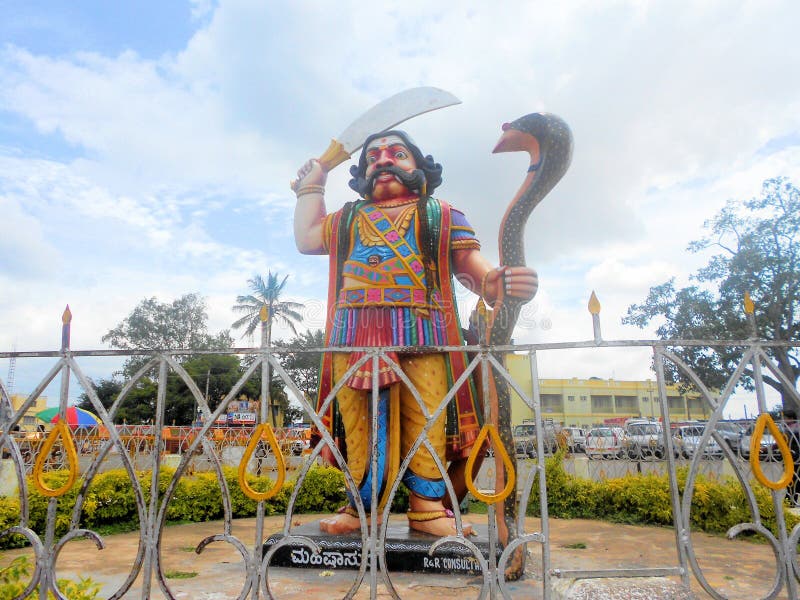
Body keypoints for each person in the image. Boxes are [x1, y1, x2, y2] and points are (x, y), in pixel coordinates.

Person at [293, 130, 538, 536]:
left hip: (423, 331)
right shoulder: (347, 219)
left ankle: (427, 507)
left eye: (397, 153)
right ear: (362, 173)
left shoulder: (441, 214)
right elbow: (306, 239)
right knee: (357, 425)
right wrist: (311, 187)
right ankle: (361, 507)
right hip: (352, 333)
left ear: (420, 167)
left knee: (426, 419)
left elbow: (472, 270)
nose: (383, 161)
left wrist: (498, 284)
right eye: (373, 157)